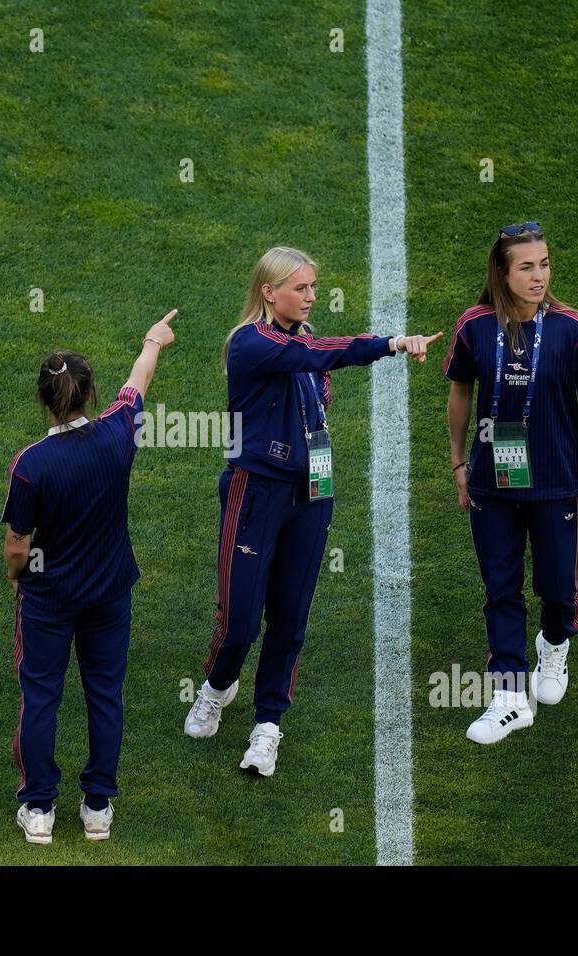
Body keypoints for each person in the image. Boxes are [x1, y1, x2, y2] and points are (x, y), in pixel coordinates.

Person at [183, 246, 441, 776]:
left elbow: (316, 376)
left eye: (313, 288)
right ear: (268, 291)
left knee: (291, 614)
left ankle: (267, 724)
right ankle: (216, 685)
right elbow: (323, 354)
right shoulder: (251, 343)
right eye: (300, 288)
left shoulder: (301, 341)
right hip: (256, 491)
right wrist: (392, 343)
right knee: (239, 619)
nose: (310, 297)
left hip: (312, 494)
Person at [3, 310, 178, 845]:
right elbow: (138, 382)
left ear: (43, 399)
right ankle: (98, 806)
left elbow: (18, 545)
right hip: (109, 595)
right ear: (89, 394)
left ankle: (39, 810)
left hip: (51, 599)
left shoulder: (32, 464)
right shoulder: (119, 434)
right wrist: (153, 340)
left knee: (41, 698)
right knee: (105, 695)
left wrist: (20, 578)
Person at [442, 221, 578, 745]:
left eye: (544, 265)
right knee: (501, 587)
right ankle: (510, 696)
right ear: (502, 271)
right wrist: (457, 464)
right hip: (492, 483)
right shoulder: (473, 326)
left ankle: (555, 644)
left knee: (559, 587)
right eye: (526, 266)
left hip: (558, 481)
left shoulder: (569, 328)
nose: (539, 276)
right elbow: (460, 398)